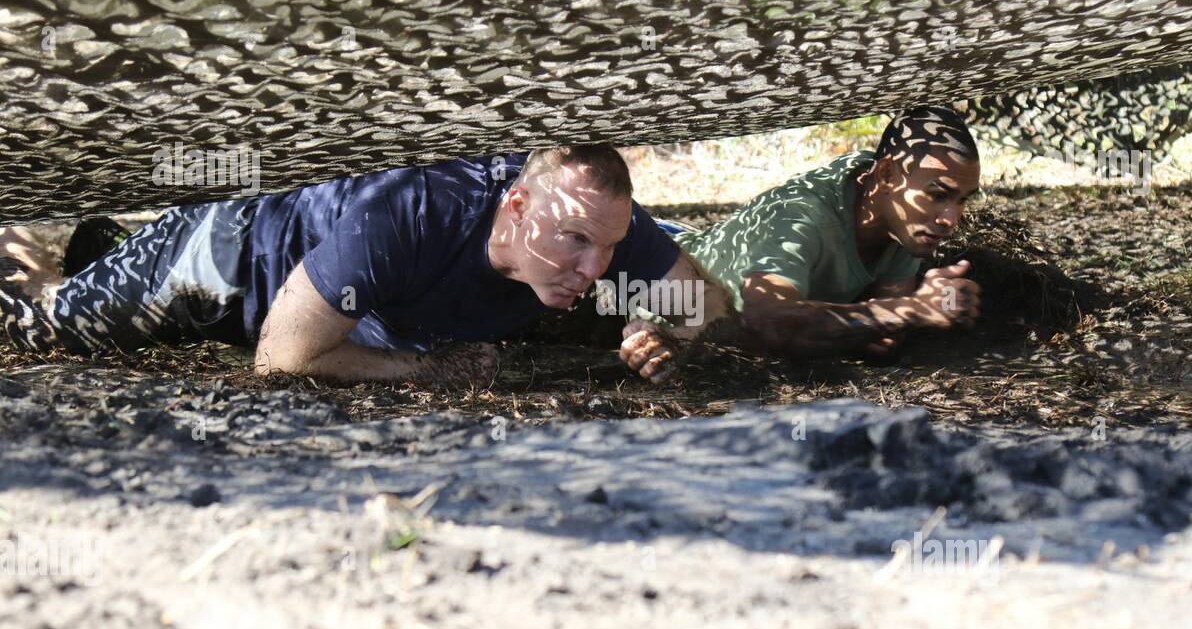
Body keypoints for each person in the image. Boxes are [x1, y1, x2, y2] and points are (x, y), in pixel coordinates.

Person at [0, 145, 723, 385]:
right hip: (226, 262)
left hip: (324, 301)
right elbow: (280, 361)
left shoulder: (596, 219)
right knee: (47, 329)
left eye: (609, 248)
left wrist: (673, 333)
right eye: (574, 243)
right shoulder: (412, 216)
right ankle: (32, 257)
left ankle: (98, 251)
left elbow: (709, 303)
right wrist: (427, 371)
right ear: (516, 207)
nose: (597, 268)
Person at [669, 105, 983, 359]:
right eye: (939, 195)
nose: (951, 219)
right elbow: (768, 322)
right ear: (887, 174)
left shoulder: (902, 218)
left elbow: (884, 325)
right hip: (645, 277)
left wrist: (894, 319)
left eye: (963, 199)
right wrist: (912, 309)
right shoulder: (803, 216)